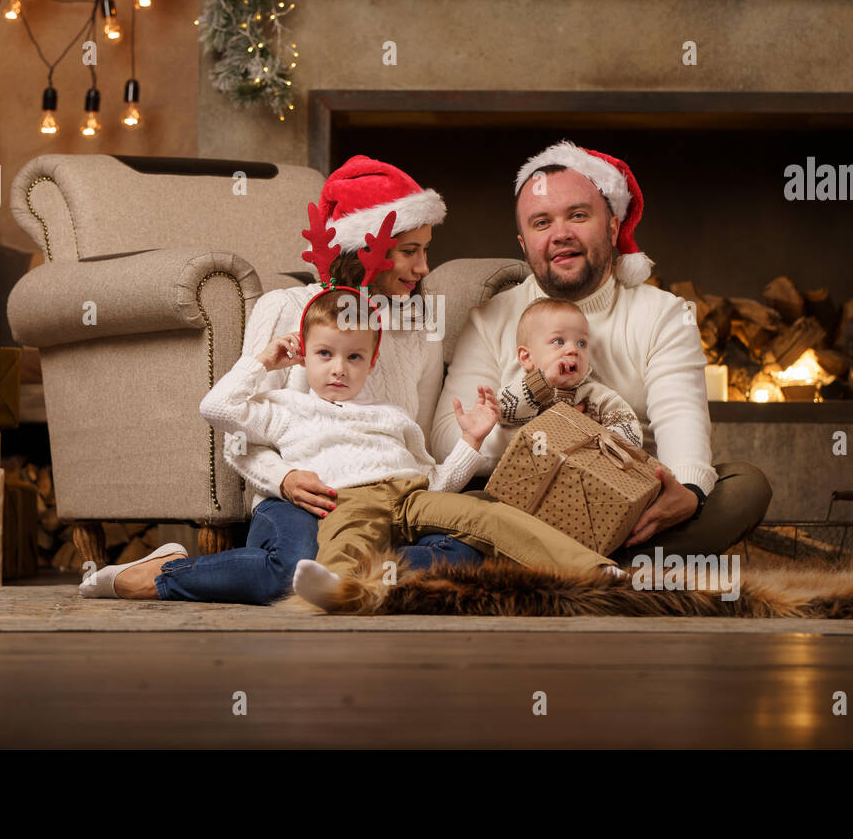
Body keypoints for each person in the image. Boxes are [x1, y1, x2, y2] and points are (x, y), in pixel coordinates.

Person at [80, 155, 482, 601]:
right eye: (410, 251)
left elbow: (415, 441)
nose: (424, 268)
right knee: (292, 570)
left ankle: (354, 579)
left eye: (426, 249)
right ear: (363, 248)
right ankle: (160, 575)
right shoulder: (285, 308)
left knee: (467, 552)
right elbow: (237, 434)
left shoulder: (418, 327)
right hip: (297, 502)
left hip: (382, 501)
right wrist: (285, 479)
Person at [431, 140, 772, 564]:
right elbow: (447, 439)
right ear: (524, 244)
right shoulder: (490, 318)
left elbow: (681, 418)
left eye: (577, 215)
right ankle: (608, 571)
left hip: (629, 510)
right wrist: (550, 436)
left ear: (612, 227)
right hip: (520, 503)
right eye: (541, 223)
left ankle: (561, 567)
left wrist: (689, 493)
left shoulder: (662, 312)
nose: (560, 234)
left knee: (745, 487)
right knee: (459, 506)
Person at [194, 288, 623, 612]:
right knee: (344, 544)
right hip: (346, 498)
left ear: (371, 361)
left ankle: (593, 568)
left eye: (355, 357)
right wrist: (264, 362)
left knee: (487, 513)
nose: (340, 368)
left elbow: (439, 481)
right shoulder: (286, 408)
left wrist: (471, 441)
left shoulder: (391, 415)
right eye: (325, 354)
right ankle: (338, 591)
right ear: (304, 355)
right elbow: (216, 408)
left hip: (412, 495)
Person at [498, 296, 643, 446]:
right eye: (558, 341)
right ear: (527, 357)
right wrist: (543, 382)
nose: (573, 350)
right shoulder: (520, 390)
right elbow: (502, 414)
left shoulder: (594, 396)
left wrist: (602, 443)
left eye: (582, 343)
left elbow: (630, 430)